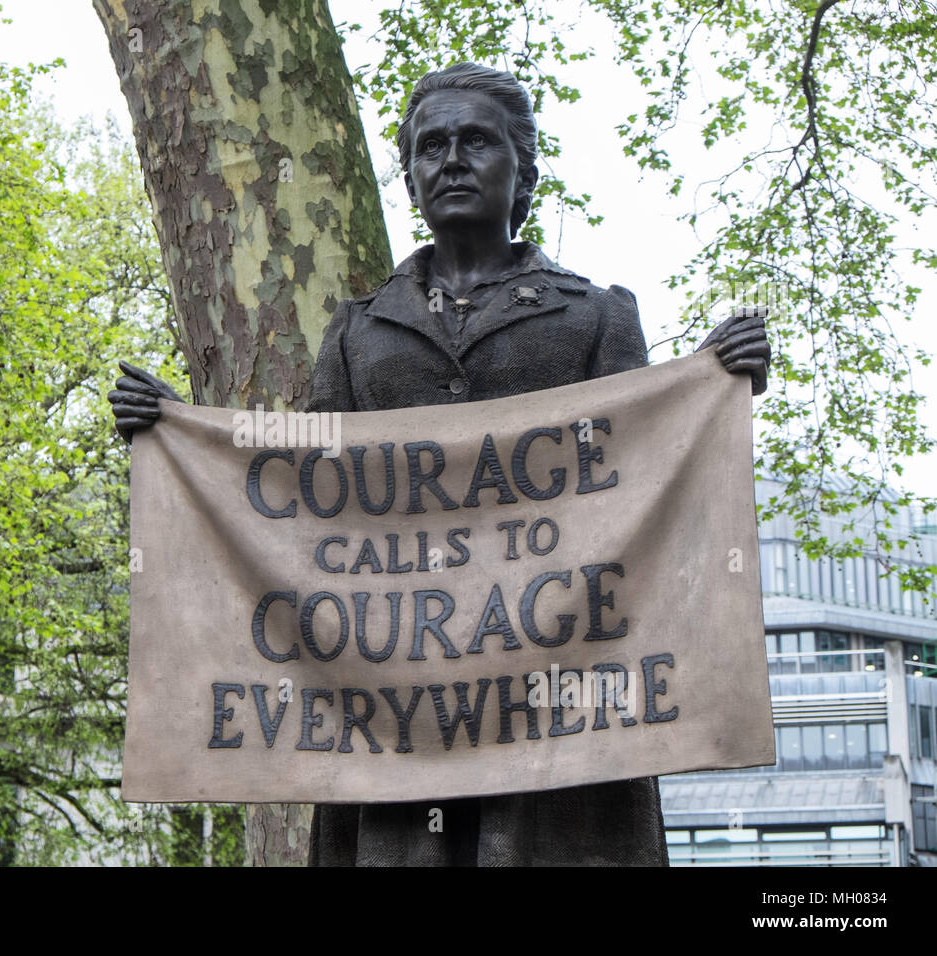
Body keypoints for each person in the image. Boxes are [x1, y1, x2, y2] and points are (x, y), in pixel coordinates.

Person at [109, 62, 770, 865]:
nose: (451, 160)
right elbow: (299, 501)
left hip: (563, 727)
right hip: (395, 736)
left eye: (476, 142)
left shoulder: (595, 316)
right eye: (431, 146)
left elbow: (651, 487)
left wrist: (708, 386)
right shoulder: (358, 334)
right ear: (412, 175)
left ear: (522, 170)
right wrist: (180, 433)